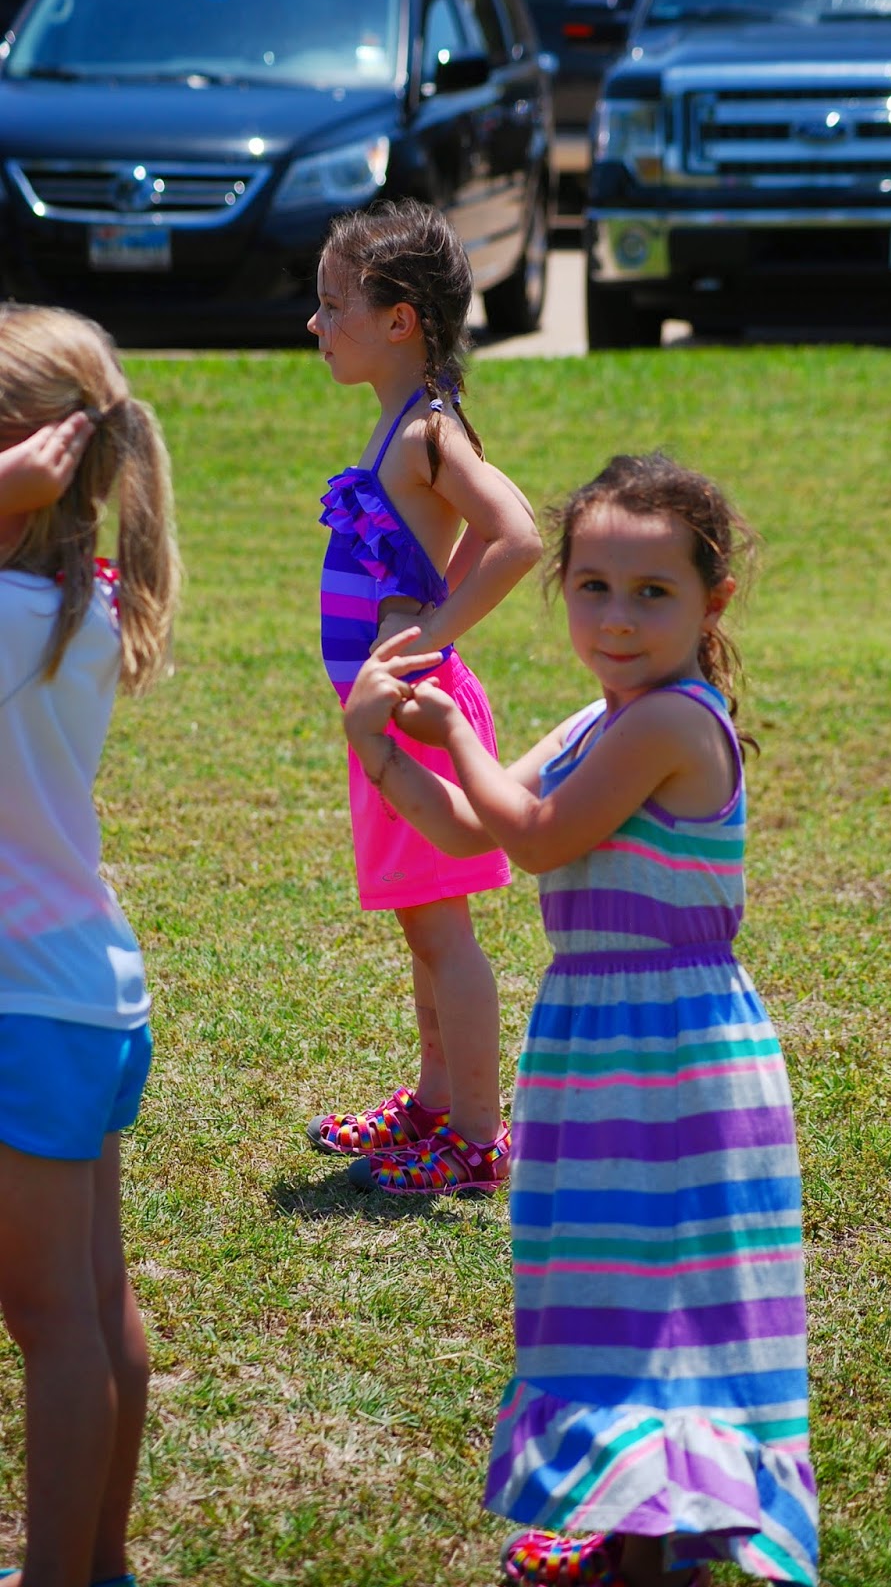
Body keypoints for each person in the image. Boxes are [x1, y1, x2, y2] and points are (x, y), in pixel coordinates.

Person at [342, 452, 819, 1584]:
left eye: (654, 592)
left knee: (670, 1293)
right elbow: (471, 831)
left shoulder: (671, 724)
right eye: (595, 586)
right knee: (602, 1283)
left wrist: (448, 728)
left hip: (674, 1052)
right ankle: (634, 1531)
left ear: (714, 605)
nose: (617, 616)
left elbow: (540, 835)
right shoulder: (597, 718)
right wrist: (379, 744)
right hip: (595, 1044)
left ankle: (664, 1544)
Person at [304, 197, 541, 1194]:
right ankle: (436, 1101)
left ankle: (479, 1137)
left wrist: (428, 639)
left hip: (418, 715)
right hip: (385, 717)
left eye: (332, 305)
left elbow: (519, 534)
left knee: (444, 931)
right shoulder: (398, 420)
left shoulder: (430, 431)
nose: (315, 325)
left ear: (399, 318)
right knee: (420, 922)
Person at [0, 302, 181, 1587]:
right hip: (86, 996)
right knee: (95, 1312)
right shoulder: (75, 596)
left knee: (52, 1325)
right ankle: (96, 1567)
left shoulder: (10, 617)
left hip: (27, 1013)